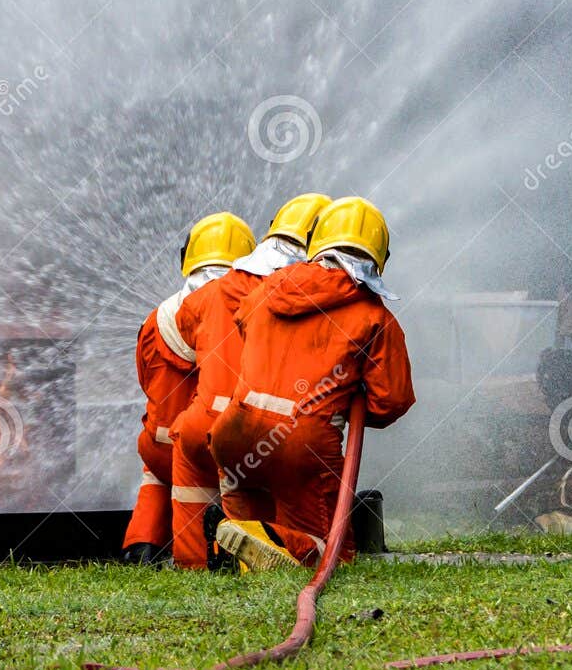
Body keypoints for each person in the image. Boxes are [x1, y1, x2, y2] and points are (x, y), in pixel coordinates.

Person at [208, 196, 415, 571]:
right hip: (301, 445)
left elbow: (242, 320)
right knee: (332, 553)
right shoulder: (374, 317)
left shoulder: (269, 287)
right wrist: (344, 396)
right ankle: (269, 539)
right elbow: (391, 401)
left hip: (232, 432)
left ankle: (241, 540)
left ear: (316, 241)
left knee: (250, 533)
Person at [166, 194, 330, 569]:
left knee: (206, 497)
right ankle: (276, 541)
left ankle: (201, 561)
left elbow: (183, 340)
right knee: (329, 545)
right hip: (278, 427)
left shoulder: (208, 295)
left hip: (214, 424)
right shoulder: (301, 293)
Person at [119, 213, 250, 564]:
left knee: (157, 469)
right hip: (214, 453)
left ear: (187, 259)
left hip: (161, 445)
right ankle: (219, 553)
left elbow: (147, 380)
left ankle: (142, 543)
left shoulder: (155, 319)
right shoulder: (246, 308)